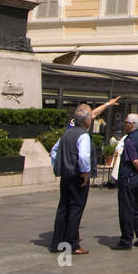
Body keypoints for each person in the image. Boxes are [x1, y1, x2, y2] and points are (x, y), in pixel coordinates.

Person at [49, 105, 92, 255]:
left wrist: (58, 165)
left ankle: (57, 242)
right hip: (77, 176)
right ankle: (72, 244)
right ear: (87, 122)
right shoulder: (83, 135)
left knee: (63, 208)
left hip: (65, 176)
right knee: (75, 209)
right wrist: (86, 172)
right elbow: (84, 156)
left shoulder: (66, 134)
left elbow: (54, 151)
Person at [112, 114, 138, 249]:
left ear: (132, 124)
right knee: (135, 207)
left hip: (129, 178)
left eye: (126, 122)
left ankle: (126, 240)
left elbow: (134, 160)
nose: (124, 124)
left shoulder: (130, 140)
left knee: (126, 210)